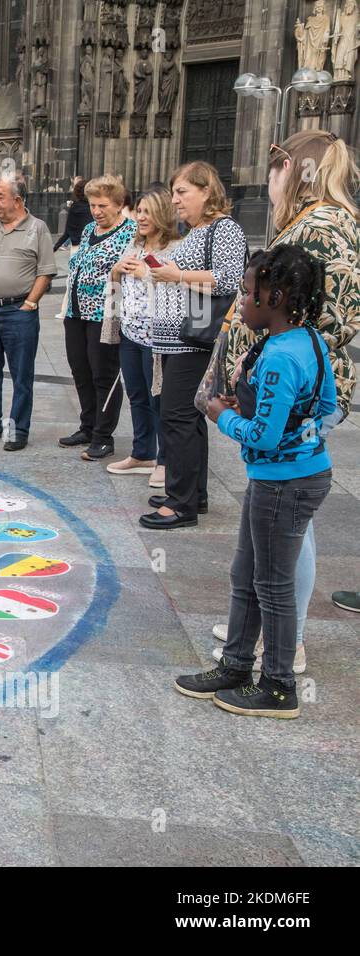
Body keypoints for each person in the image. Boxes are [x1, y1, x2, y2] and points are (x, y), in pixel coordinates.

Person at [210, 129, 360, 669]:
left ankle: (285, 638)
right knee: (282, 514)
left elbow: (328, 313)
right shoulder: (316, 221)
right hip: (283, 391)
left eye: (274, 169)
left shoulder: (322, 225)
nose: (269, 182)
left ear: (295, 171)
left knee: (287, 516)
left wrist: (262, 372)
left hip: (290, 396)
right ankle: (269, 625)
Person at [174, 245, 336, 719]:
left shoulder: (281, 357)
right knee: (246, 575)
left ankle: (280, 685)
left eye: (248, 293)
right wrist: (293, 430)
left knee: (273, 585)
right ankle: (236, 665)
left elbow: (264, 438)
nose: (241, 302)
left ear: (276, 297)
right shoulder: (308, 341)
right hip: (292, 475)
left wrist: (223, 415)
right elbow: (325, 408)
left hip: (283, 483)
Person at [141, 161, 248, 530]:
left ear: (207, 191)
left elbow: (229, 280)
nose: (174, 200)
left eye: (182, 192)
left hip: (196, 339)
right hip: (177, 336)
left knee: (177, 416)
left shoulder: (225, 229)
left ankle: (180, 503)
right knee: (190, 416)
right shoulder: (197, 230)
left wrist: (177, 274)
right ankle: (192, 493)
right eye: (173, 193)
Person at [0, 172, 57, 451]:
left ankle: (18, 429)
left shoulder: (38, 228)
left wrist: (29, 304)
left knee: (21, 374)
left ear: (17, 200)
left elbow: (46, 272)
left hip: (18, 312)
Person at [106, 189, 182, 486]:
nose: (141, 217)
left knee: (158, 399)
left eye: (148, 211)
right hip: (130, 332)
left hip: (158, 336)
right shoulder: (132, 245)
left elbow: (180, 291)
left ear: (163, 214)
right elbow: (118, 282)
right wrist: (116, 270)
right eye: (139, 210)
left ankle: (164, 460)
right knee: (136, 394)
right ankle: (142, 453)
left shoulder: (176, 248)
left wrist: (147, 274)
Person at [61, 174, 136, 461]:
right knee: (80, 371)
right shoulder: (90, 228)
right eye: (93, 204)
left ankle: (104, 436)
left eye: (103, 205)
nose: (96, 211)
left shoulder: (130, 233)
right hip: (76, 312)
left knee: (103, 374)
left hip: (105, 314)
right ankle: (88, 426)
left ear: (119, 205)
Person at [54, 176, 92, 251]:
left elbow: (67, 231)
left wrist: (55, 247)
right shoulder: (93, 207)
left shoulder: (75, 207)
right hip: (91, 247)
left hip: (76, 247)